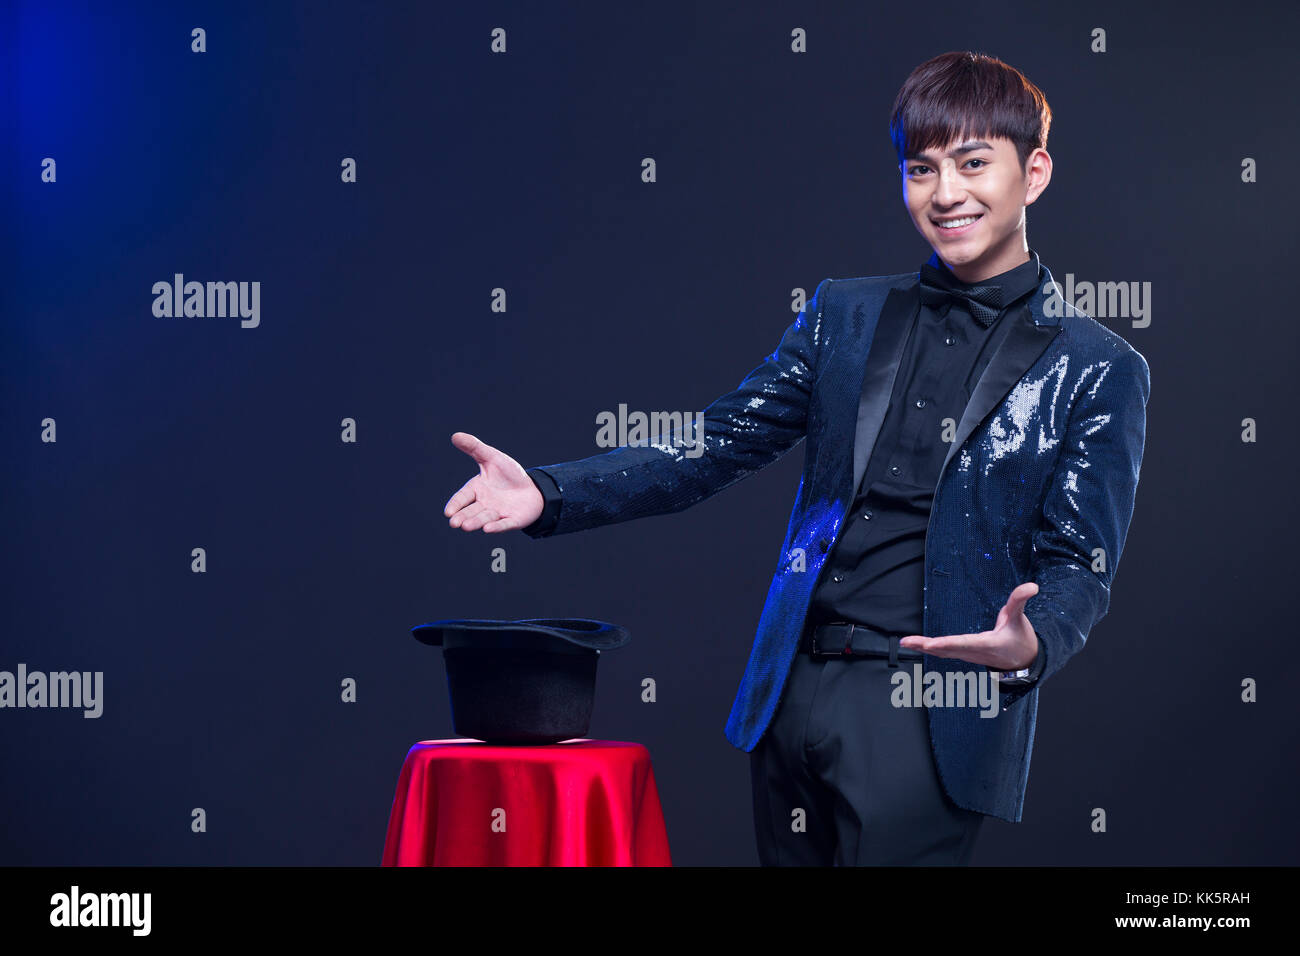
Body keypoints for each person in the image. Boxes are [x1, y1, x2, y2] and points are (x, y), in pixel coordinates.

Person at [442, 50, 1150, 866]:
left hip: (932, 705)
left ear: (1035, 172)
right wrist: (550, 489)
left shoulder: (1097, 365)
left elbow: (1079, 563)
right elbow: (715, 443)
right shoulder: (842, 313)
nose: (945, 193)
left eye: (972, 163)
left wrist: (1033, 645)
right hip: (791, 695)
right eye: (921, 169)